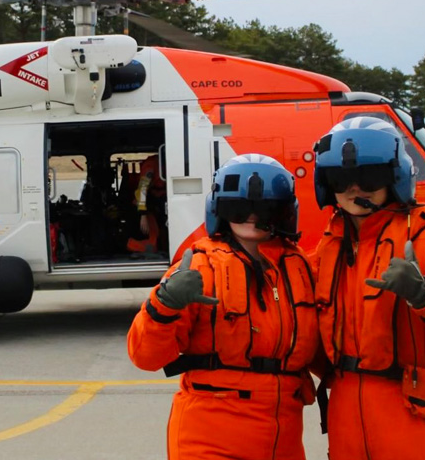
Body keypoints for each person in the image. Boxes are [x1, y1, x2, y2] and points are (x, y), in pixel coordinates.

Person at [310, 117, 425, 460]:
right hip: (346, 416)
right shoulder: (329, 248)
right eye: (340, 179)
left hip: (412, 416)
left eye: (369, 177)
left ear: (394, 177)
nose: (355, 189)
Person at [128, 154, 320, 460]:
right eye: (238, 208)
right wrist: (164, 305)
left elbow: (326, 352)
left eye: (265, 208)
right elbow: (145, 357)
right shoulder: (197, 268)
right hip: (209, 437)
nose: (251, 217)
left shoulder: (301, 270)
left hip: (282, 438)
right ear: (220, 210)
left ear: (284, 213)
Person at [127, 153, 166, 254]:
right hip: (142, 205)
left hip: (155, 201)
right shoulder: (151, 165)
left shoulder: (163, 163)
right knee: (148, 230)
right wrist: (143, 215)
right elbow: (142, 189)